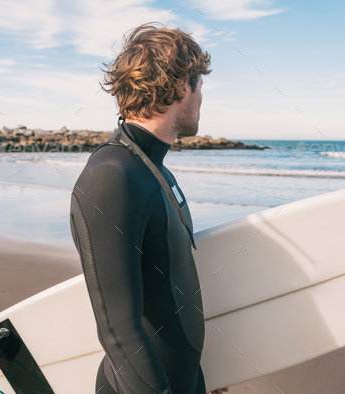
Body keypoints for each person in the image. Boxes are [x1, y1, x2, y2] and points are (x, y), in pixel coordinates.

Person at [69, 23, 229, 394]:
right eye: (199, 85)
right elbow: (118, 329)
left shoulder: (152, 171)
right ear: (179, 86)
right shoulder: (111, 179)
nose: (202, 96)